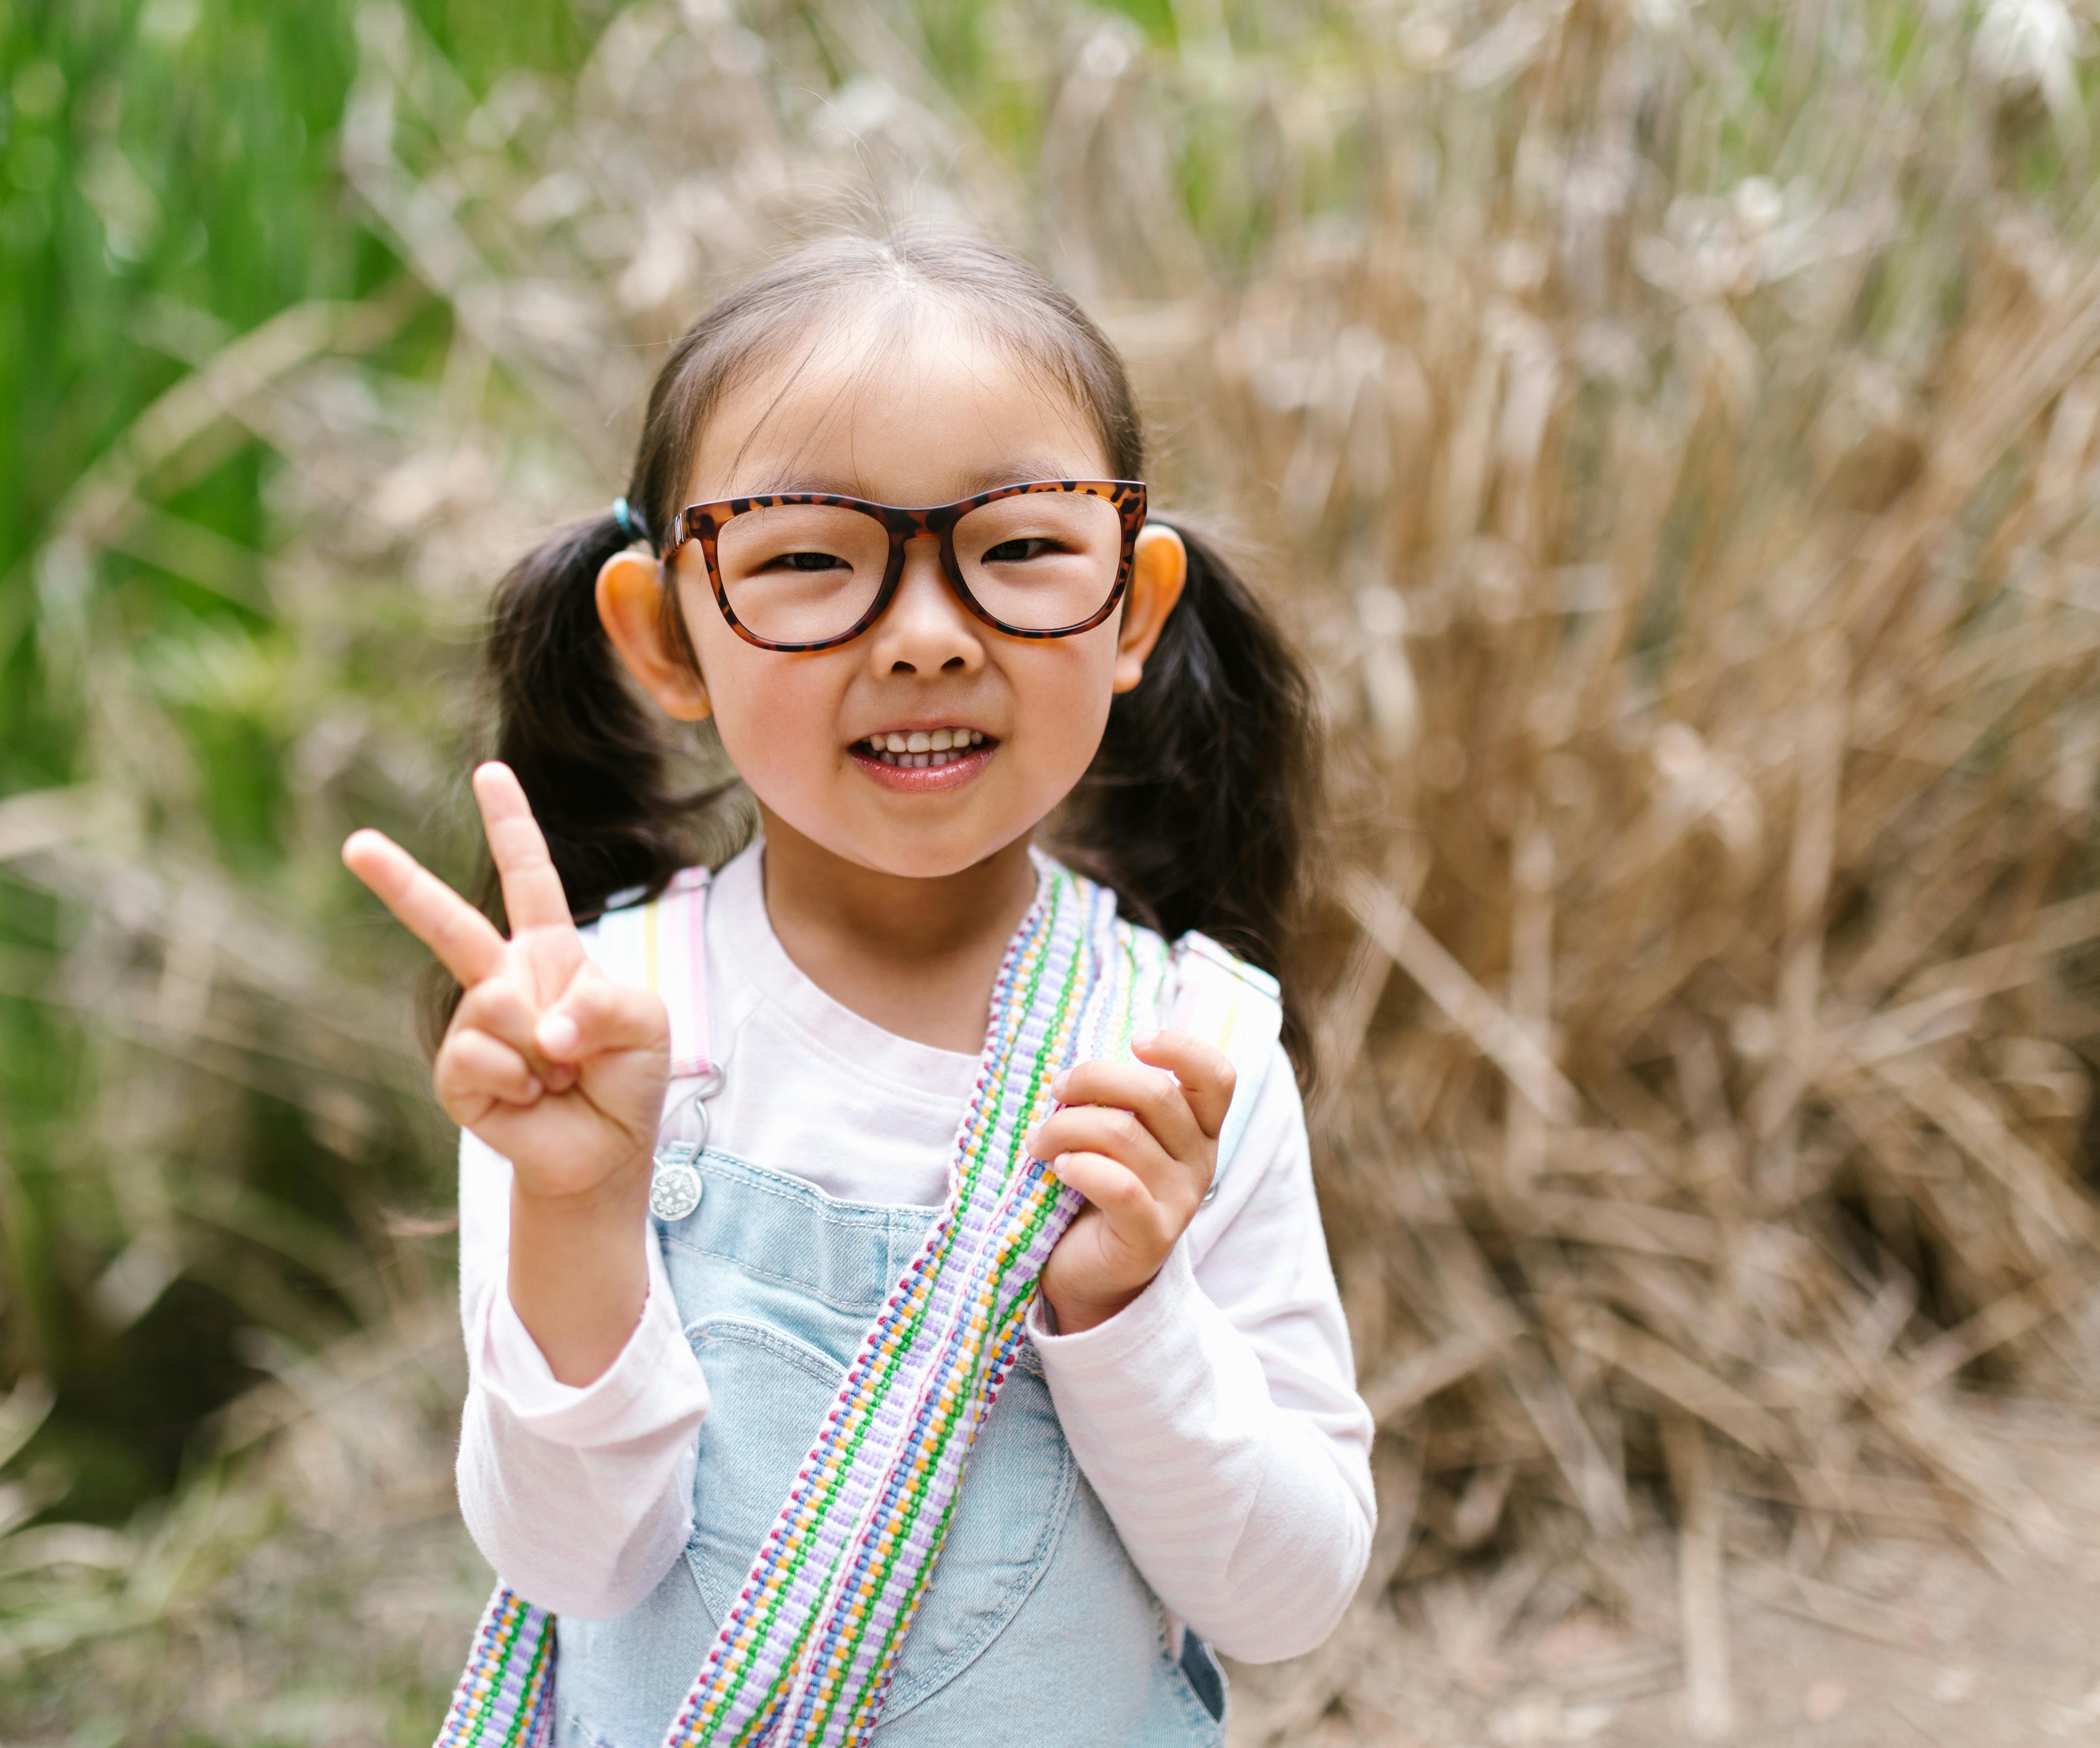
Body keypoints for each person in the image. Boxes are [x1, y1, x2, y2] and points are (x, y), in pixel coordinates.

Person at [343, 228, 1374, 1748]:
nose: (927, 637)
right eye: (809, 562)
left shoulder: (1187, 1058)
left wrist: (1129, 1312)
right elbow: (572, 1561)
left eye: (1021, 549)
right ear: (663, 633)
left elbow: (1289, 1601)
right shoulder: (599, 1032)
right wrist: (576, 1208)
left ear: (1135, 607)